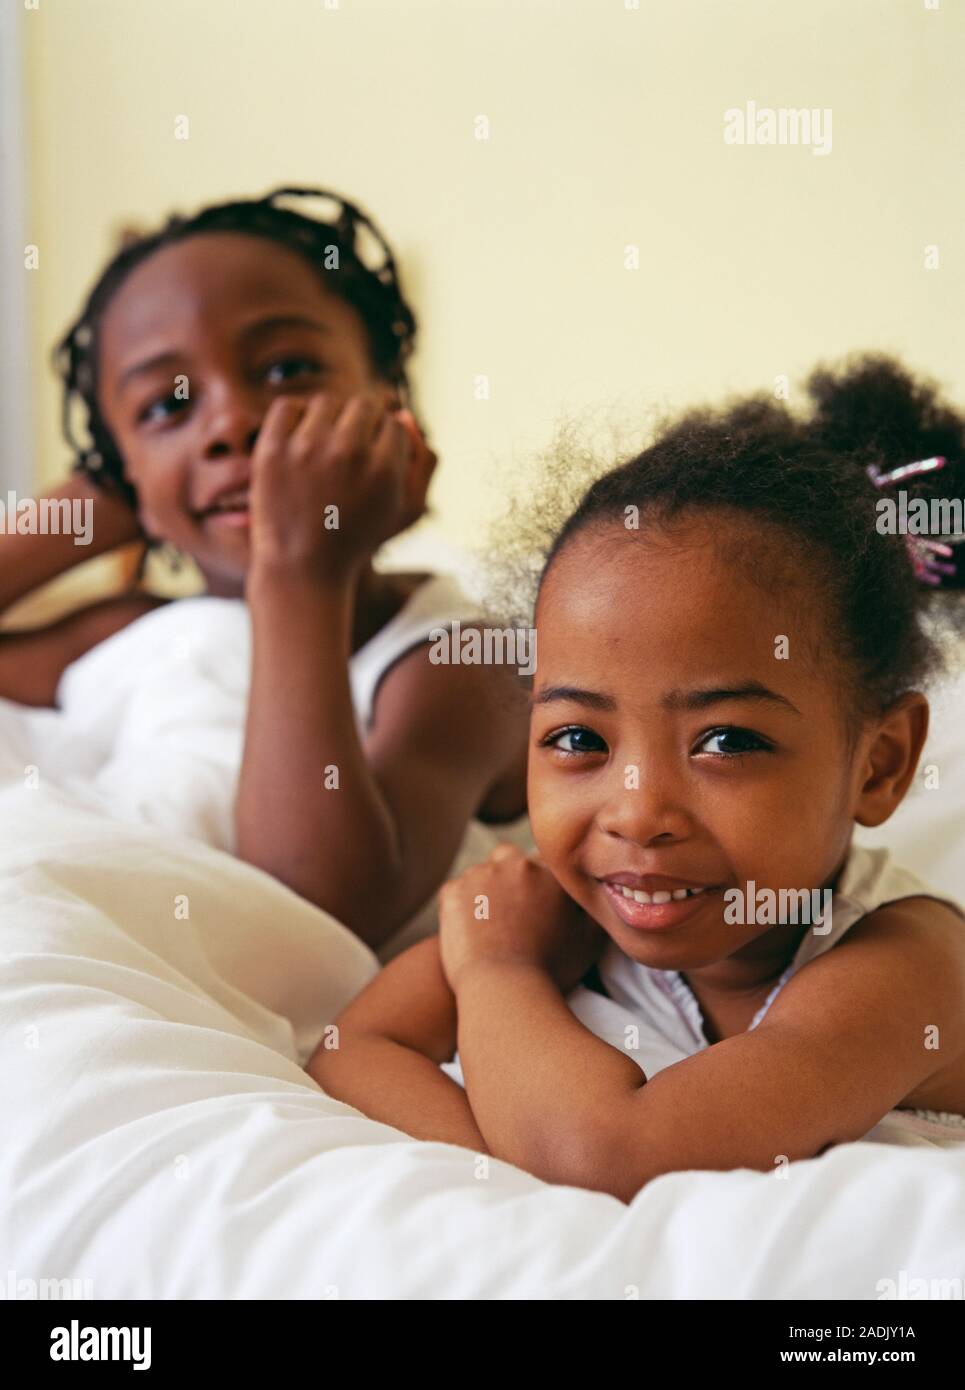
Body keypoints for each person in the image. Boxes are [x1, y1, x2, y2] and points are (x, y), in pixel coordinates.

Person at [308, 354, 965, 1197]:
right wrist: (515, 1149)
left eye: (725, 742)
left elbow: (610, 1157)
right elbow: (350, 1053)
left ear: (878, 765)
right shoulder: (564, 906)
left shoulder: (907, 966)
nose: (637, 812)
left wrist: (499, 979)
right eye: (579, 736)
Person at [0, 187, 529, 951]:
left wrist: (299, 575)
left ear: (389, 404)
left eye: (286, 369)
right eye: (164, 407)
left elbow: (315, 906)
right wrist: (103, 504)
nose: (229, 422)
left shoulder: (456, 662)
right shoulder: (138, 631)